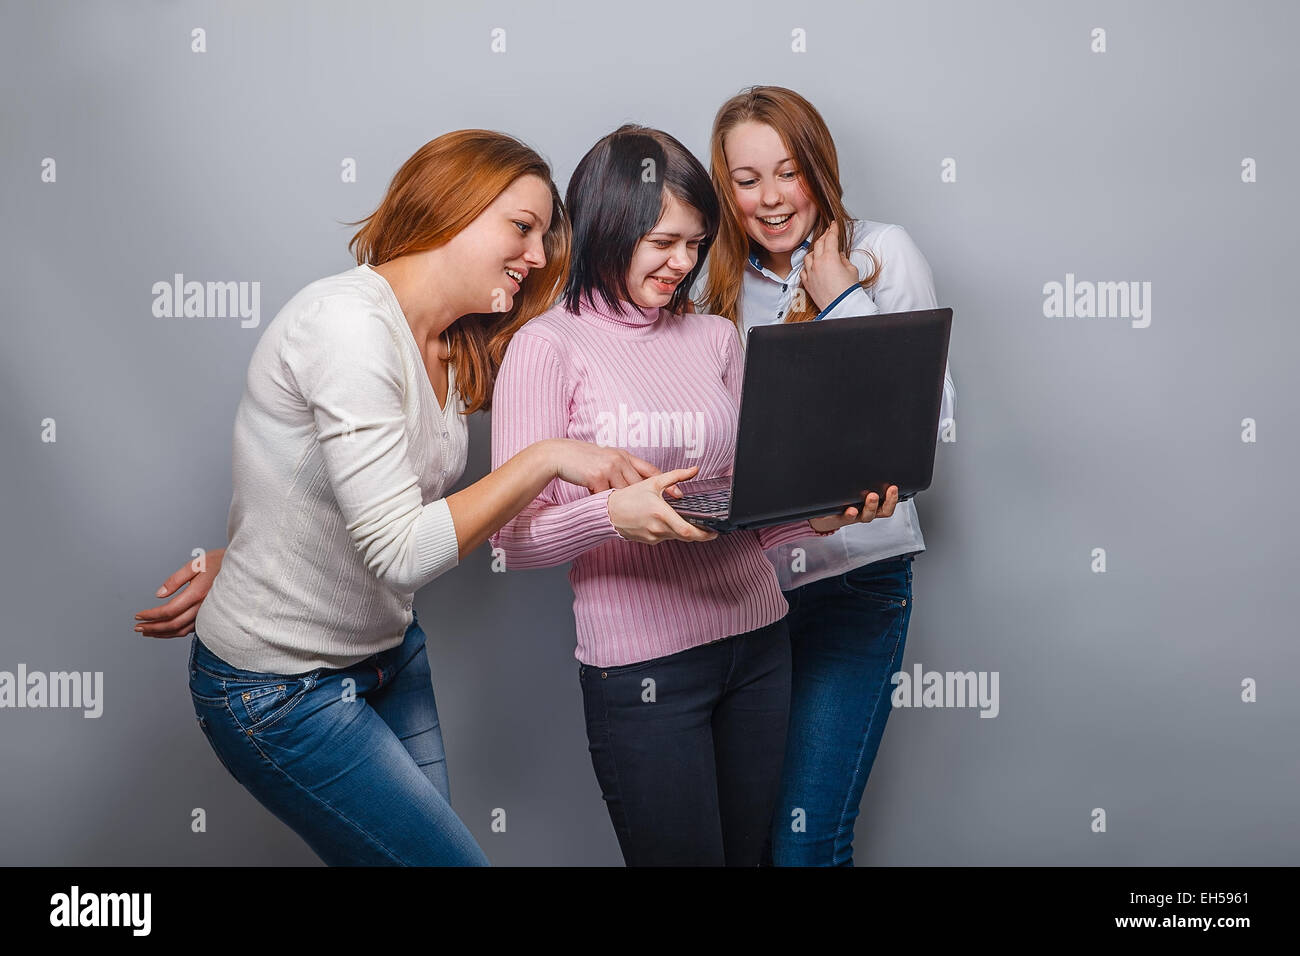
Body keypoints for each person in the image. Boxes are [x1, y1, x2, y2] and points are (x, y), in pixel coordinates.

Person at [135, 130, 662, 866]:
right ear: (451, 206)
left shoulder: (451, 342)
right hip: (279, 691)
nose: (539, 257)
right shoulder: (348, 329)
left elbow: (320, 477)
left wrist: (250, 549)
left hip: (389, 657)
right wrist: (546, 460)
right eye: (521, 227)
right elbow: (399, 551)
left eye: (545, 236)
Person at [488, 124, 897, 866]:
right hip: (645, 671)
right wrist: (615, 514)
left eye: (696, 244)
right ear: (609, 227)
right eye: (664, 243)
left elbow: (751, 512)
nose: (685, 263)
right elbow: (510, 541)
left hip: (758, 642)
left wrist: (820, 513)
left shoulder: (712, 337)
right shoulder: (547, 347)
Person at [697, 86, 957, 866]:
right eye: (747, 180)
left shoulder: (886, 253)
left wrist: (839, 290)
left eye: (788, 172)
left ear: (819, 168)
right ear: (724, 188)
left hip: (853, 586)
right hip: (740, 590)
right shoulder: (707, 280)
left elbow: (933, 420)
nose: (771, 199)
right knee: (742, 840)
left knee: (805, 841)